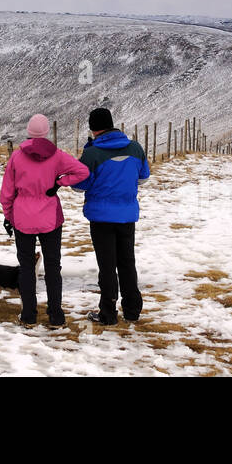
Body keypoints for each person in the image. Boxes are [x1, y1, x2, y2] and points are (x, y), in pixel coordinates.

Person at [0, 113, 90, 327]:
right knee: (52, 266)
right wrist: (60, 182)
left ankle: (29, 316)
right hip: (50, 217)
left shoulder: (17, 157)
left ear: (29, 132)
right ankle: (56, 316)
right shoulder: (57, 155)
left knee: (27, 268)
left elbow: (7, 192)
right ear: (46, 132)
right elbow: (83, 171)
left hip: (22, 217)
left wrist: (8, 215)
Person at [71, 107, 149, 325]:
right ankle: (132, 310)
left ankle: (108, 313)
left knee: (107, 266)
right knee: (127, 262)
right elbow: (143, 178)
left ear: (93, 129)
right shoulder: (135, 148)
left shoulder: (92, 153)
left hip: (101, 217)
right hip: (127, 216)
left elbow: (78, 186)